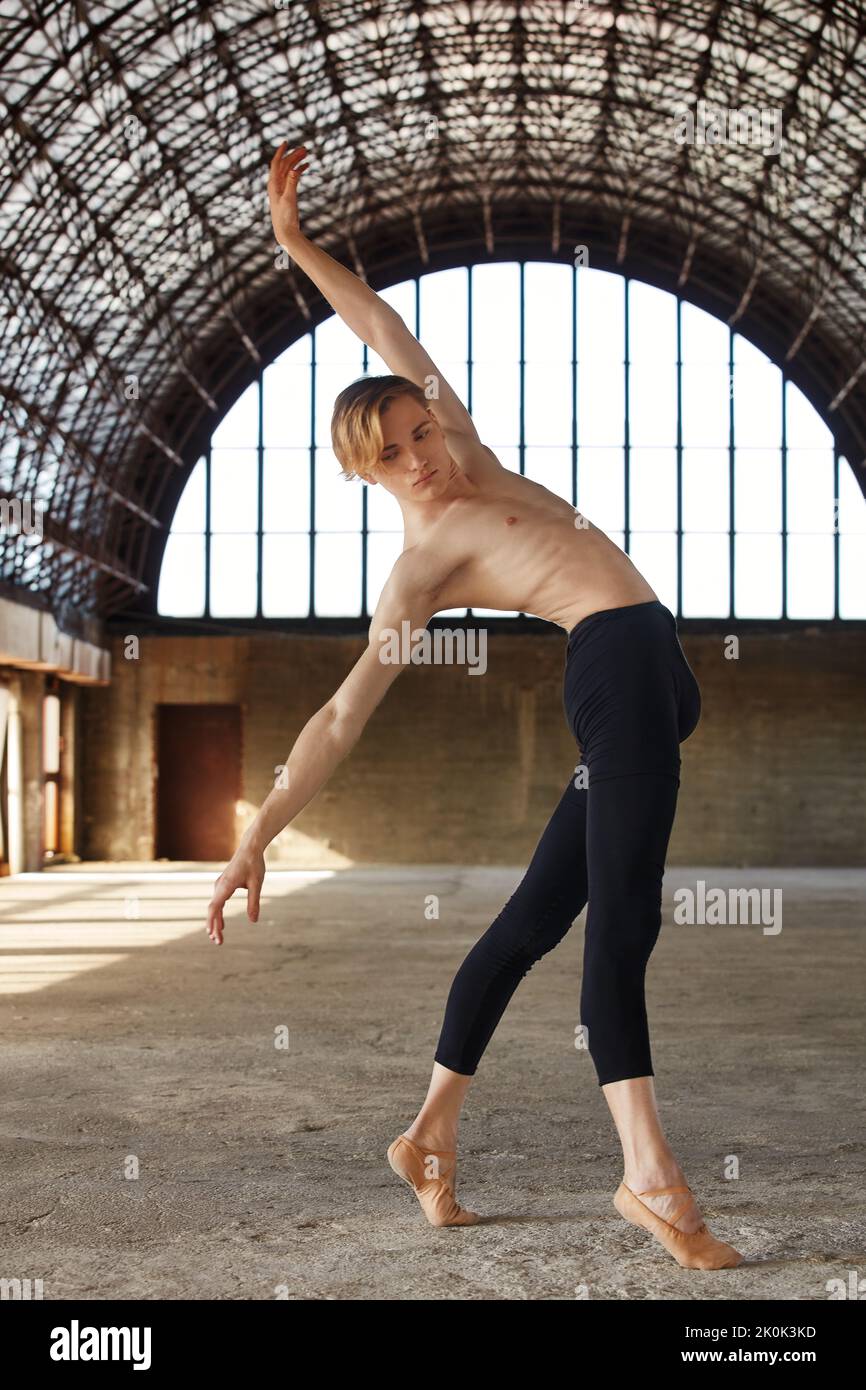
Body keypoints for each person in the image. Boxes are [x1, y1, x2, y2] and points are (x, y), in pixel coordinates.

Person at [205, 142, 743, 1271]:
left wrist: (297, 247)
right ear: (366, 475)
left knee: (527, 923)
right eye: (394, 456)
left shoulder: (477, 462)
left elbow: (381, 330)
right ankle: (648, 1178)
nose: (422, 458)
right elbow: (343, 717)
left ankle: (428, 1134)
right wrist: (256, 832)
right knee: (623, 926)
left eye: (422, 431)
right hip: (613, 667)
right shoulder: (421, 571)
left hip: (650, 670)